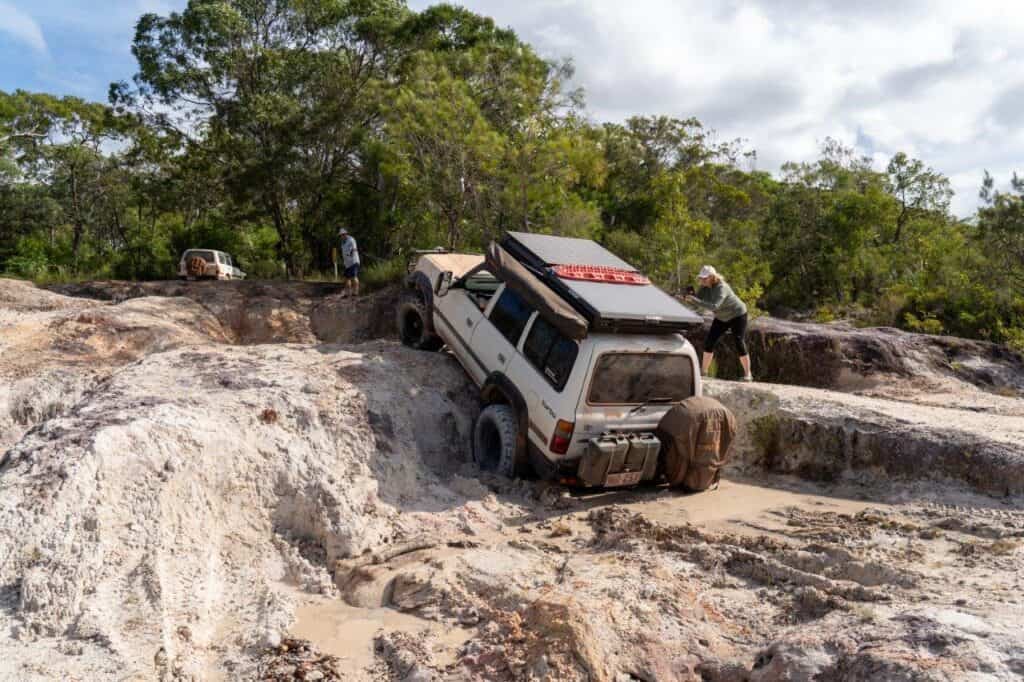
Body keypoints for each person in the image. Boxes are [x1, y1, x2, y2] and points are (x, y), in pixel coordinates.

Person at [685, 265, 753, 381]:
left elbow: (714, 306)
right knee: (709, 342)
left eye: (705, 278)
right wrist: (688, 297)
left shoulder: (722, 287)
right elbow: (698, 304)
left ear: (712, 277)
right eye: (701, 278)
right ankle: (703, 373)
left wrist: (694, 299)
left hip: (737, 314)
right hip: (721, 317)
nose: (702, 280)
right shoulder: (704, 287)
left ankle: (748, 375)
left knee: (738, 341)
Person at [338, 227, 360, 297]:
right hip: (347, 264)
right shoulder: (342, 243)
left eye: (342, 235)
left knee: (354, 277)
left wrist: (351, 253)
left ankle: (355, 292)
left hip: (353, 261)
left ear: (345, 234)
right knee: (346, 278)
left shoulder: (351, 239)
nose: (341, 236)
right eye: (340, 235)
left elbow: (354, 248)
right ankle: (347, 293)